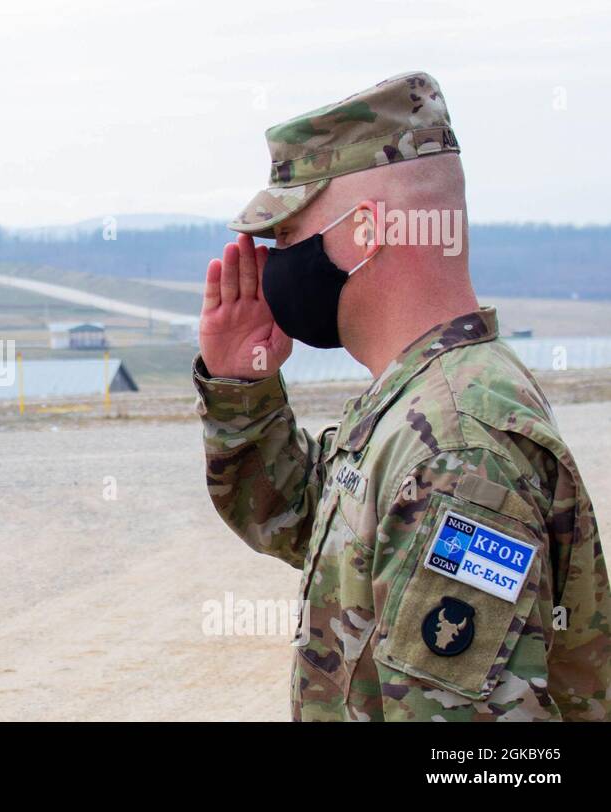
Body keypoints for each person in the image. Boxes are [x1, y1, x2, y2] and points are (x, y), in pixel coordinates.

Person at [195, 71, 610, 721]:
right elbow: (308, 519)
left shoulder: (455, 449)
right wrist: (241, 389)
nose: (271, 262)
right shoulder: (425, 403)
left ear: (364, 233)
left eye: (287, 237)